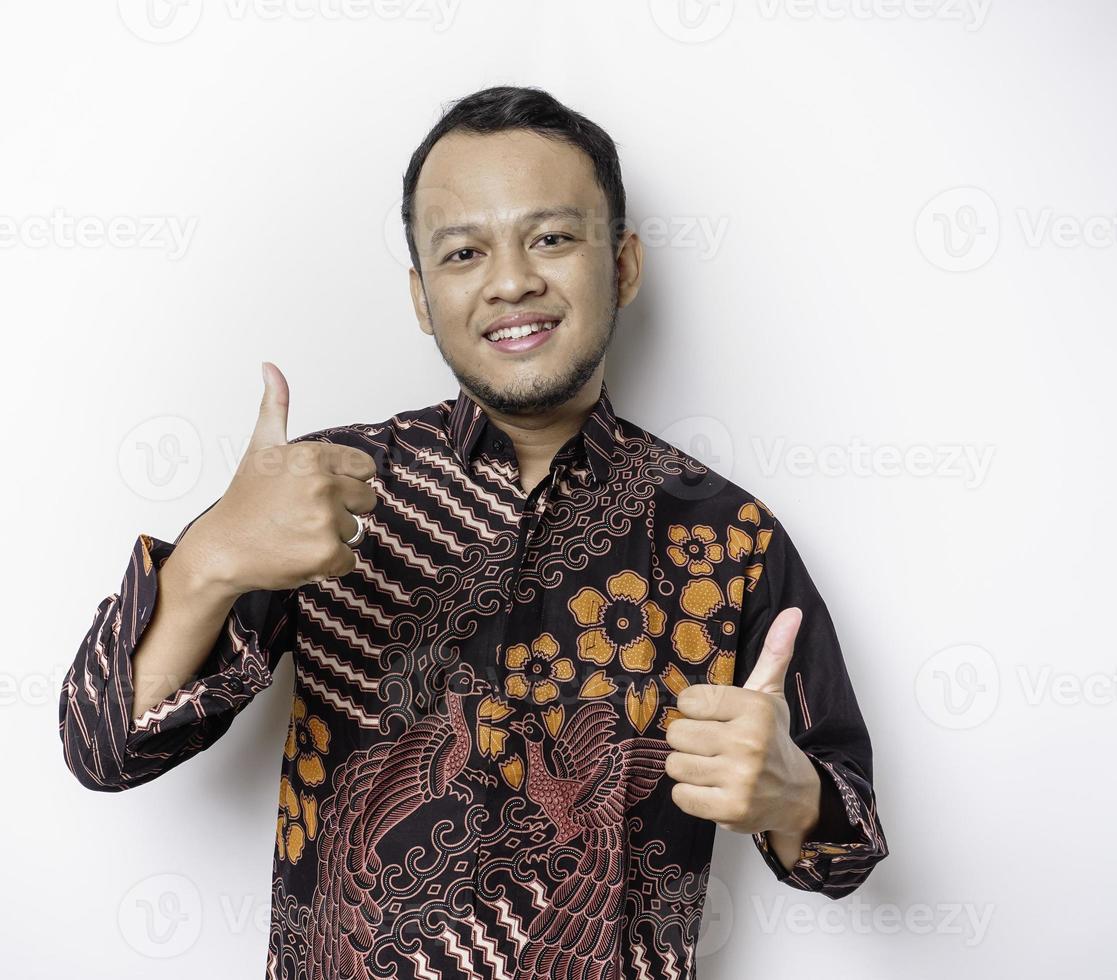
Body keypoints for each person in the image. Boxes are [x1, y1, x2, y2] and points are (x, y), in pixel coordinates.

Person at [59, 85, 887, 980]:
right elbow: (104, 749)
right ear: (423, 296)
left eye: (552, 237)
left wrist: (794, 795)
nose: (510, 280)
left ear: (624, 267)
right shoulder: (318, 493)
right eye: (463, 252)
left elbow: (847, 845)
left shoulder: (730, 537)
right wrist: (214, 557)